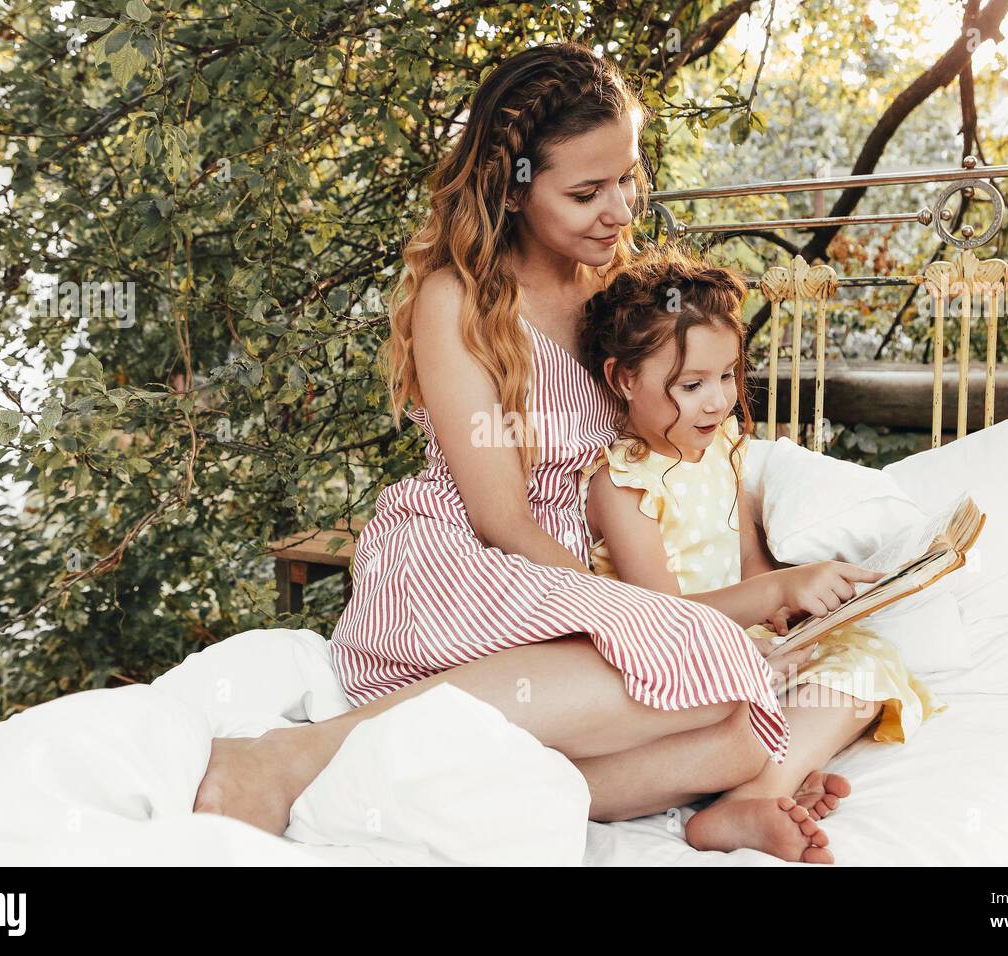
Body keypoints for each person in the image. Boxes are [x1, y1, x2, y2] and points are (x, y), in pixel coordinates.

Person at [194, 42, 835, 850]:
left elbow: (674, 440)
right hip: (473, 553)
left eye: (628, 179)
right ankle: (303, 754)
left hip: (576, 561)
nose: (621, 211)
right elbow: (500, 517)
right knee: (708, 663)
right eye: (586, 192)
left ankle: (474, 785)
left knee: (750, 726)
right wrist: (644, 616)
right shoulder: (458, 299)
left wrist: (737, 576)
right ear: (518, 187)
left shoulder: (621, 291)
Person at [575, 245, 945, 860]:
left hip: (744, 648)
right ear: (624, 379)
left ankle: (753, 794)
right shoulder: (621, 483)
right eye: (691, 385)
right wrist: (774, 594)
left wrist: (784, 615)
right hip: (673, 665)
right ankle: (757, 779)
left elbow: (750, 559)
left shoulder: (726, 450)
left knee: (863, 668)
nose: (718, 401)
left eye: (726, 377)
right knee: (745, 711)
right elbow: (665, 621)